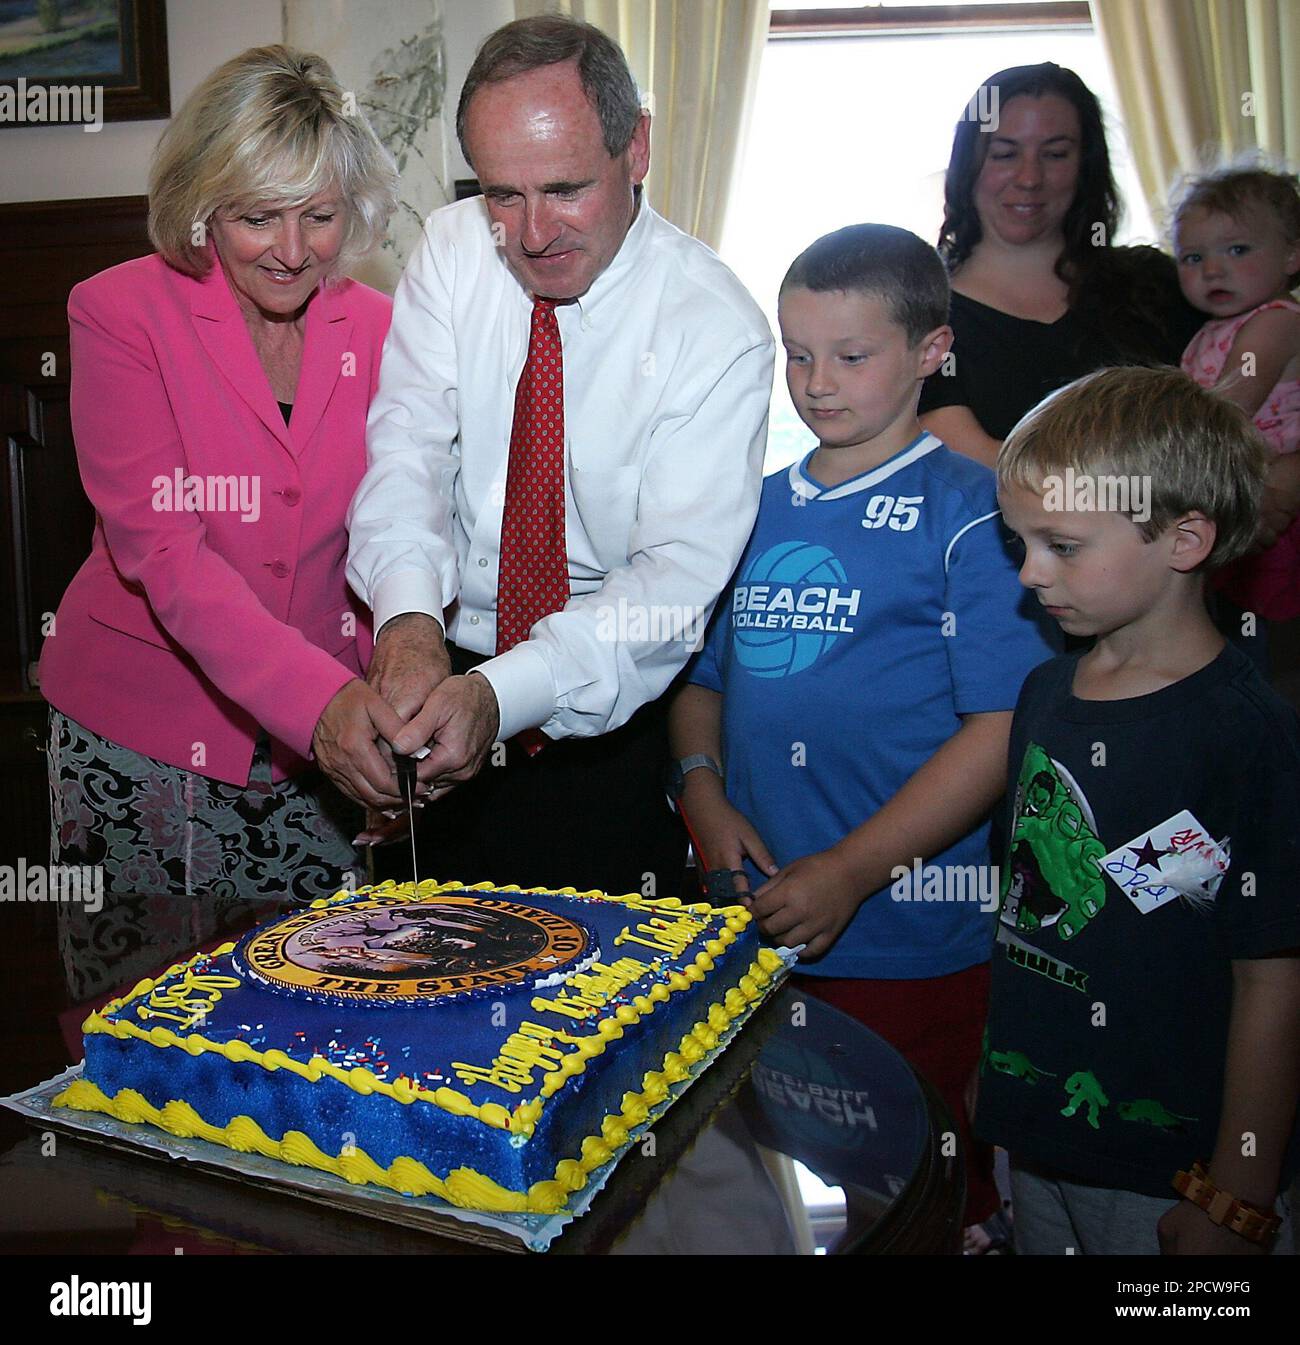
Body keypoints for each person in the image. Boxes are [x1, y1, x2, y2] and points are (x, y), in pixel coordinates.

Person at [668, 224, 1058, 1236]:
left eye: (850, 355)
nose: (815, 382)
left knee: (920, 1190)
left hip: (910, 932)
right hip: (755, 925)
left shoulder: (972, 513)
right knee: (782, 1166)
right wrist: (702, 794)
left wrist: (851, 868)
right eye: (796, 354)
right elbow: (698, 685)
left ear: (932, 350)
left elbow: (999, 724)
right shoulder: (749, 508)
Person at [342, 16, 774, 895]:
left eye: (566, 188)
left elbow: (668, 585)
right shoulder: (457, 248)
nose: (531, 233)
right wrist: (408, 621)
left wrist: (506, 693)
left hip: (602, 714)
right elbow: (407, 451)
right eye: (501, 193)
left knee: (589, 1013)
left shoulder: (717, 330)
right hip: (439, 672)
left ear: (637, 147)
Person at [39, 46, 401, 1001]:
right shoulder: (119, 311)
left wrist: (385, 716)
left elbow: (391, 535)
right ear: (202, 207)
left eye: (320, 217)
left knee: (321, 1020)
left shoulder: (381, 328)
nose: (293, 250)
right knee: (142, 1025)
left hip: (321, 739)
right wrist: (323, 704)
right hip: (138, 731)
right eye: (257, 218)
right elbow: (161, 549)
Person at [985, 365, 1300, 1255]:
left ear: (1185, 539)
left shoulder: (1248, 736)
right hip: (1041, 1133)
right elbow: (1022, 907)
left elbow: (1275, 977)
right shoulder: (1045, 689)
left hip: (1174, 1171)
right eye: (1021, 542)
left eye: (1063, 545)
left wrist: (1238, 1188)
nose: (1032, 573)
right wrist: (1001, 1076)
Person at [918, 62, 1202, 467]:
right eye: (1004, 154)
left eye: (1054, 154)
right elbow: (978, 462)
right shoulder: (921, 316)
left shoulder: (1156, 284)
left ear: (1086, 166)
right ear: (968, 165)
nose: (1030, 178)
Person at [1173, 166, 1300, 628]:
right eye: (1192, 258)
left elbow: (1223, 411)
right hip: (1235, 491)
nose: (1212, 269)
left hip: (1275, 506)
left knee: (1265, 631)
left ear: (1291, 254)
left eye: (1238, 250)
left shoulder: (1275, 322)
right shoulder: (1214, 329)